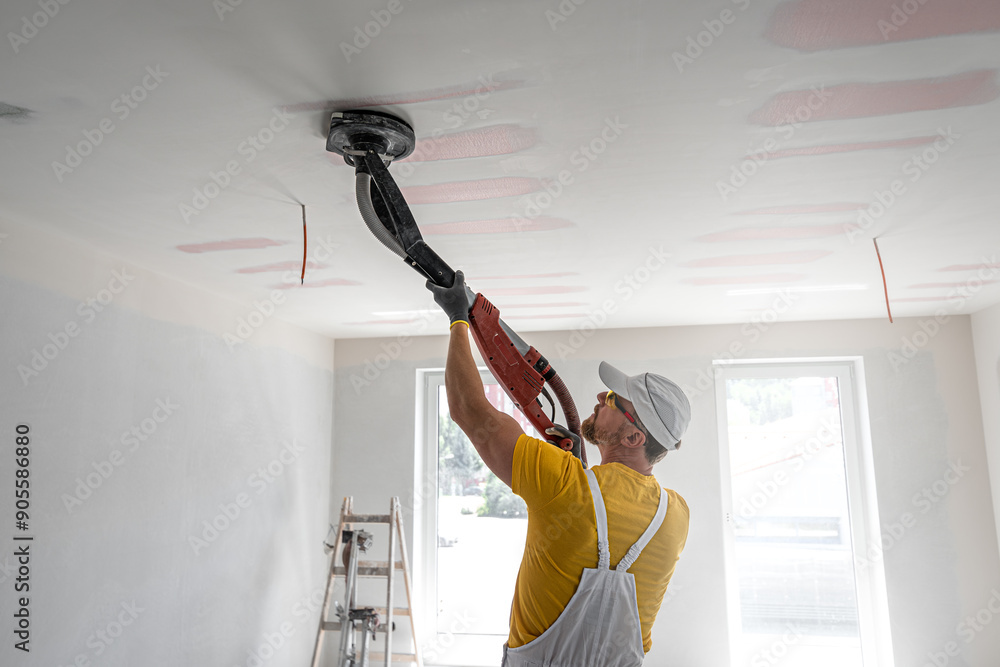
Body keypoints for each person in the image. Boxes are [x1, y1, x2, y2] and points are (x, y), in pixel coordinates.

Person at [428, 272, 691, 667]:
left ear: (635, 438)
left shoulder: (563, 483)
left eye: (614, 401)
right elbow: (605, 529)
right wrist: (577, 465)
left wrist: (457, 320)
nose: (601, 395)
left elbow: (469, 410)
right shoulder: (677, 514)